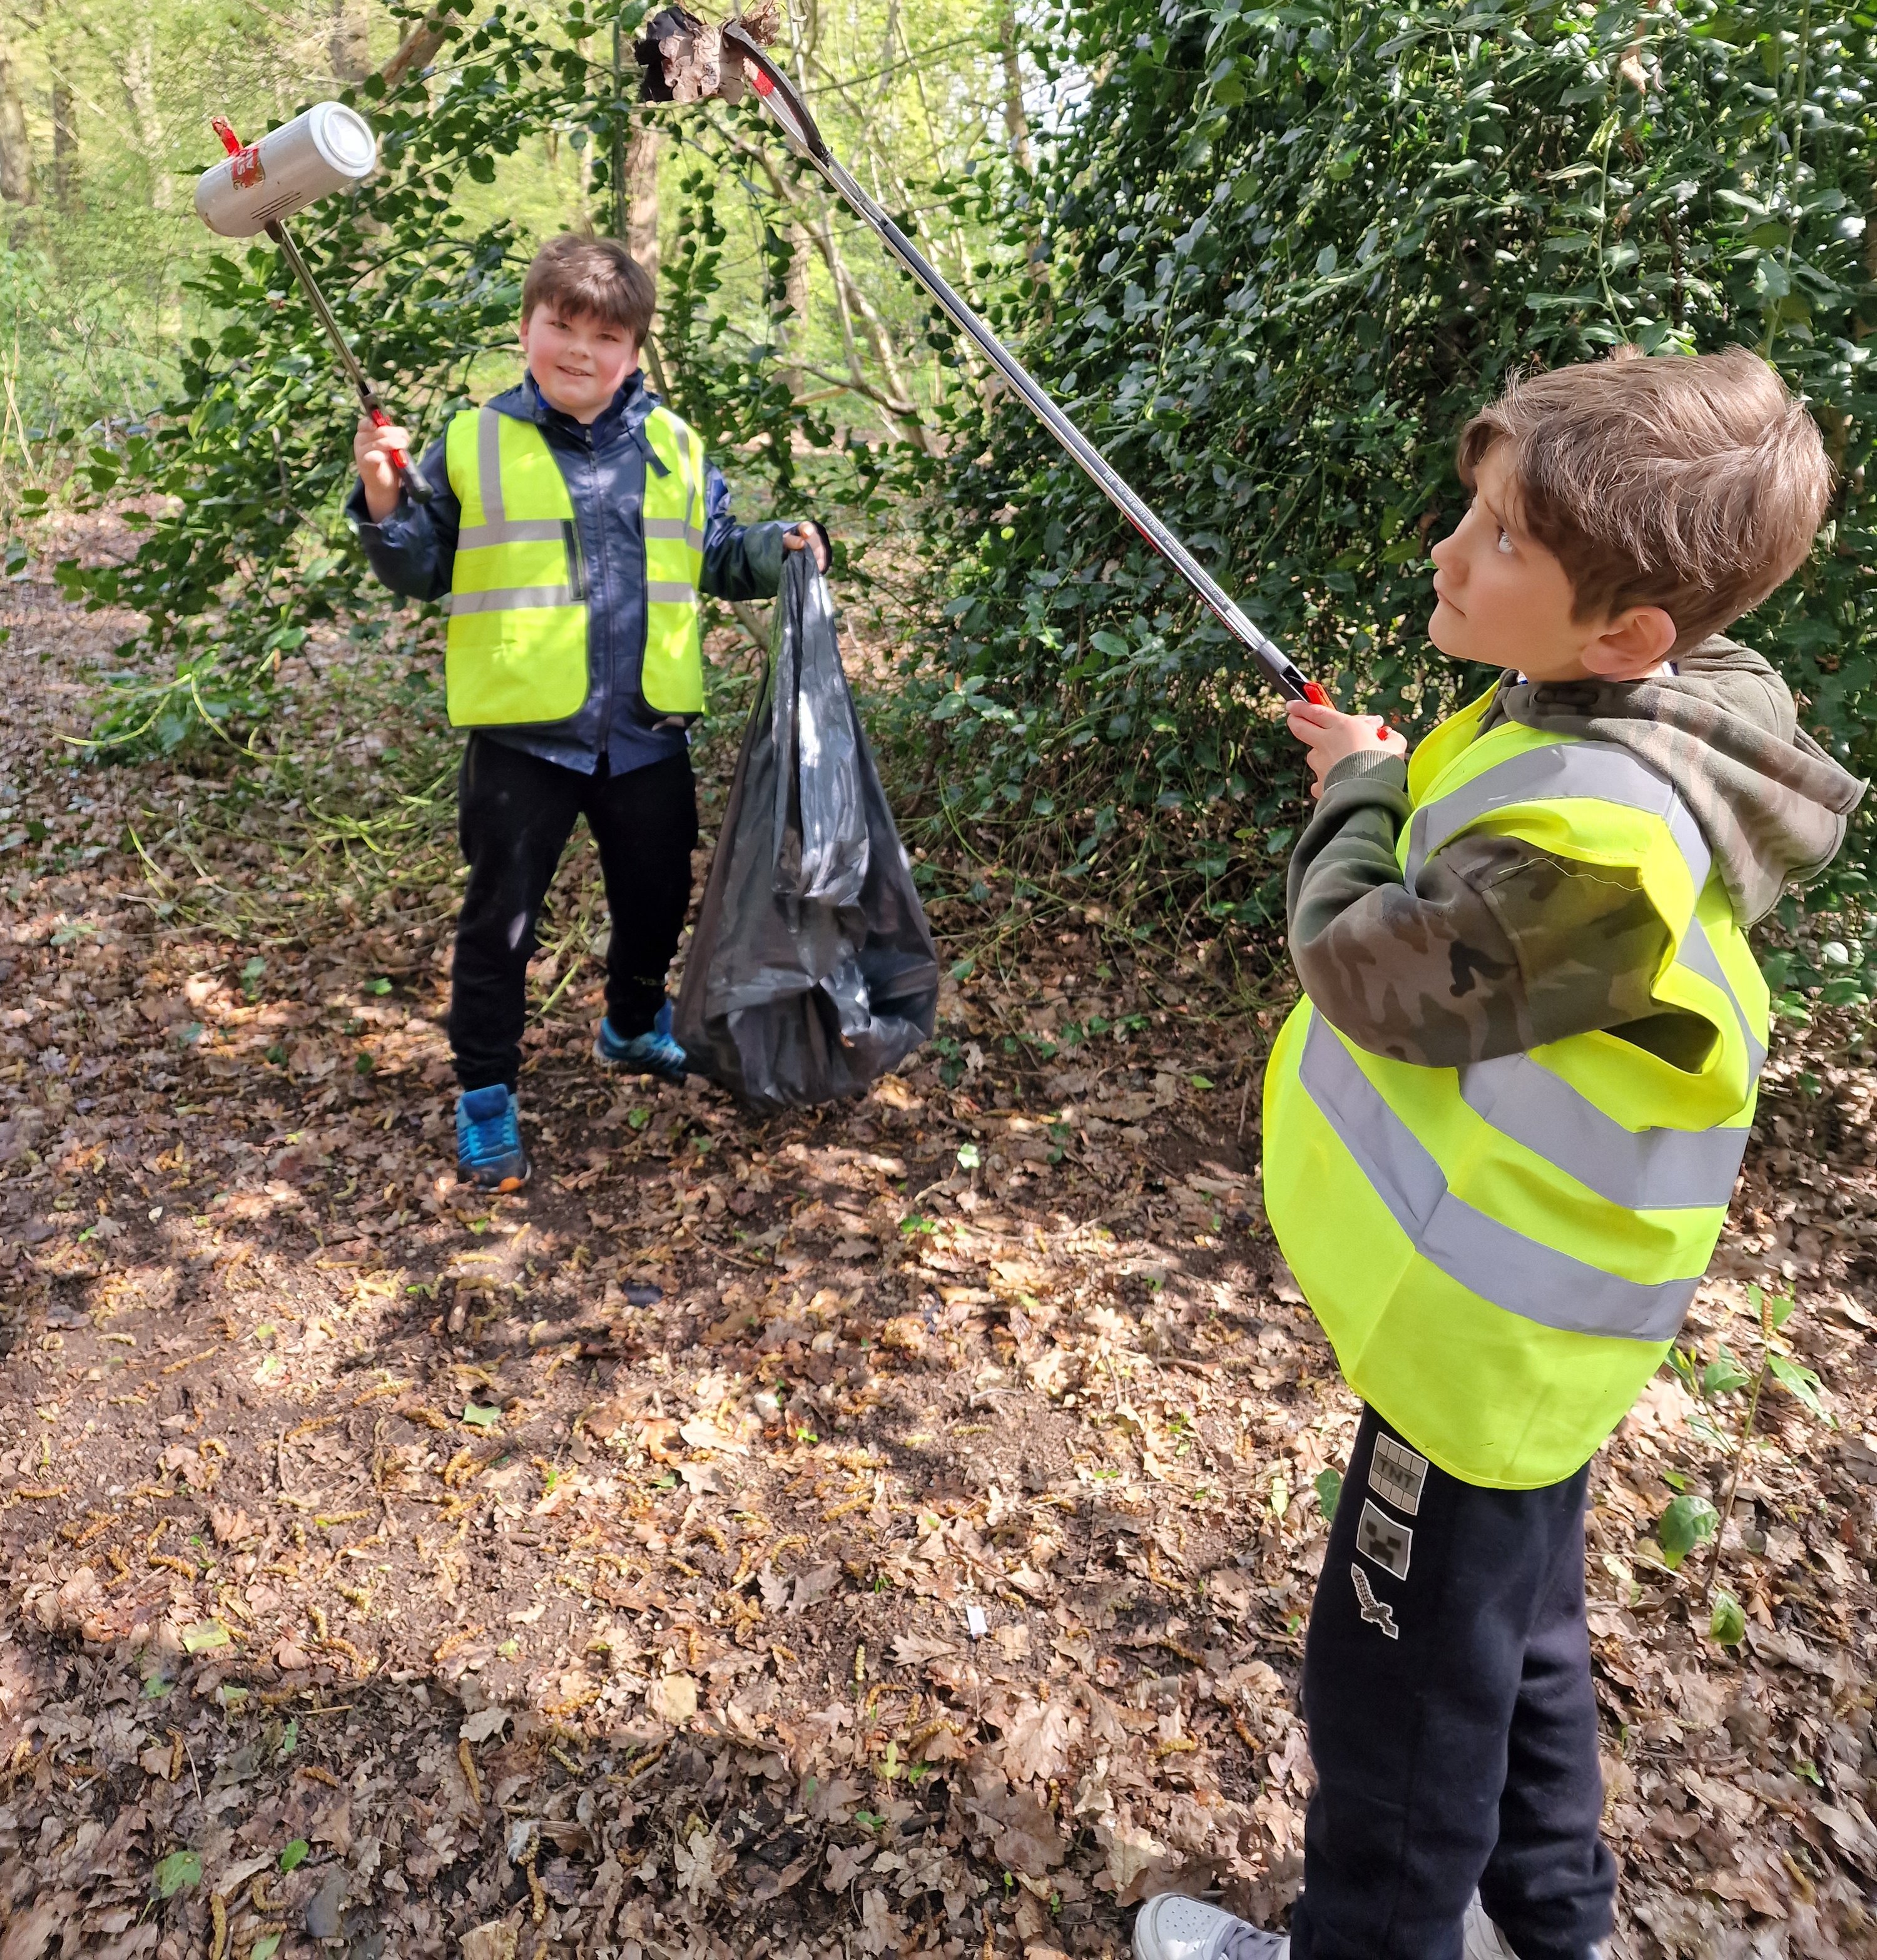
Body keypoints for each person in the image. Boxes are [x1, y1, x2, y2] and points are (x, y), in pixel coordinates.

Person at [1132, 347, 1863, 1960]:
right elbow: (1483, 809)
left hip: (1481, 1343)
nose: (1448, 556)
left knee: (1395, 1695)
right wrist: (1393, 771)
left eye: (1501, 541)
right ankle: (1553, 1931)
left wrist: (1355, 801)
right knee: (1516, 1639)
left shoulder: (1597, 846)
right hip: (1530, 1344)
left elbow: (1367, 970)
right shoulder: (1630, 707)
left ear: (1632, 632)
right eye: (1474, 511)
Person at [348, 233, 828, 1191]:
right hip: (525, 741)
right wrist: (381, 491)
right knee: (502, 926)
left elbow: (719, 552)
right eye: (558, 325)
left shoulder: (676, 448)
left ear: (634, 352)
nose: (577, 349)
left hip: (647, 733)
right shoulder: (473, 441)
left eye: (602, 335)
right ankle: (486, 1095)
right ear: (526, 328)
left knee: (654, 899)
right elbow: (415, 565)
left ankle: (631, 1025)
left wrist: (781, 547)